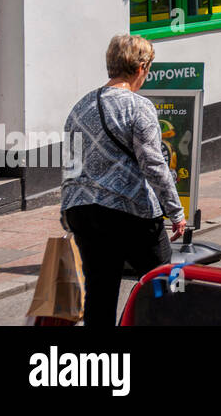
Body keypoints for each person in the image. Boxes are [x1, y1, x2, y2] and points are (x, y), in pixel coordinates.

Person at [61, 35, 187, 327]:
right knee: (162, 282)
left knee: (100, 292)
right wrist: (175, 211)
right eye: (149, 68)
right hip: (128, 211)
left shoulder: (79, 107)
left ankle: (102, 365)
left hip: (82, 211)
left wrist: (65, 213)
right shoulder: (137, 106)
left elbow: (71, 164)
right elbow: (153, 164)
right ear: (141, 67)